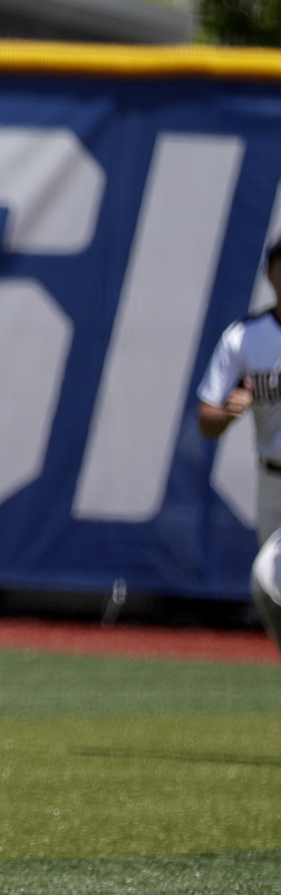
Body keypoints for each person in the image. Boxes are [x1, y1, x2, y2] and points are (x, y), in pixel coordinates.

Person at [196, 239, 281, 654]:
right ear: (269, 273)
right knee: (272, 592)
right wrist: (229, 413)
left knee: (267, 577)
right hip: (271, 480)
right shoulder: (245, 337)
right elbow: (205, 420)